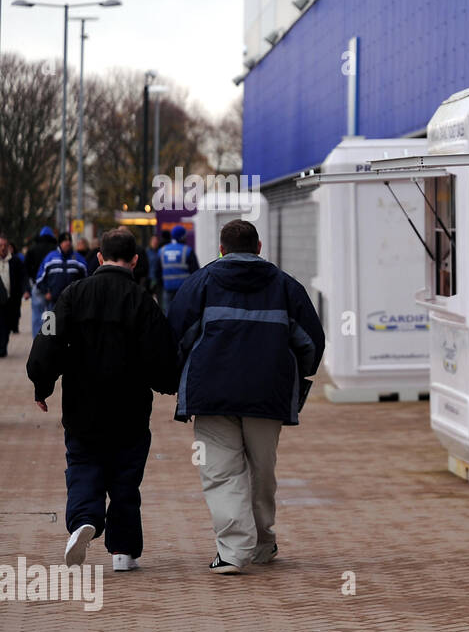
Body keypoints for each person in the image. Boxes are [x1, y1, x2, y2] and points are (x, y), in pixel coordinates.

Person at [170, 219, 324, 574]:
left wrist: (172, 379)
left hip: (211, 394)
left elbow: (176, 337)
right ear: (258, 247)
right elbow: (311, 342)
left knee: (222, 473)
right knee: (262, 470)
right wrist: (293, 375)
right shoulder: (286, 286)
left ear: (221, 249)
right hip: (267, 394)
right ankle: (263, 543)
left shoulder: (201, 283)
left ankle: (233, 552)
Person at [26, 228, 178, 571]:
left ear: (98, 257)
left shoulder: (70, 295)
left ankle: (83, 518)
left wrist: (42, 383)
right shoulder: (143, 302)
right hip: (130, 409)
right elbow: (163, 353)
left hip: (82, 406)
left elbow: (46, 338)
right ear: (135, 260)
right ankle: (123, 552)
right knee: (125, 478)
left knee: (83, 464)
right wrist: (170, 385)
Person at [35, 232, 88, 313]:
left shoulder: (78, 258)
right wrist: (46, 292)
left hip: (73, 302)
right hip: (53, 302)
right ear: (60, 243)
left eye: (69, 240)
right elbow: (39, 278)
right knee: (52, 325)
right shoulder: (50, 258)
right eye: (65, 241)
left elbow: (87, 279)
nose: (68, 243)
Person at [24, 226, 57, 336]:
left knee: (37, 315)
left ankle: (36, 341)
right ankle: (48, 341)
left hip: (37, 285)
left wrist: (28, 286)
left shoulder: (32, 250)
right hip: (51, 288)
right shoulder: (55, 249)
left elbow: (26, 269)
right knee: (50, 314)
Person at [158, 225, 198, 314]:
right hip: (184, 289)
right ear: (183, 236)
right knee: (184, 314)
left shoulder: (162, 250)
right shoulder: (187, 250)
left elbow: (158, 271)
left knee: (168, 313)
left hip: (167, 288)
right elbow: (195, 272)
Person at [0, 234, 27, 357]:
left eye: (5, 245)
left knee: (6, 325)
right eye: (0, 245)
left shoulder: (15, 261)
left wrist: (26, 290)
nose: (3, 248)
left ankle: (3, 346)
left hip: (11, 300)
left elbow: (23, 277)